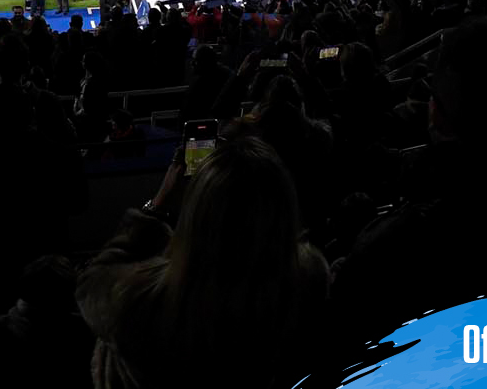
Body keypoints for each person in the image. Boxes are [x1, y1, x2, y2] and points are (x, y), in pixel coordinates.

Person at [78, 136, 326, 389]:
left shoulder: (142, 302)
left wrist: (158, 204)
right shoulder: (307, 281)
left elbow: (91, 282)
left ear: (196, 212)